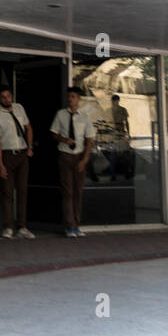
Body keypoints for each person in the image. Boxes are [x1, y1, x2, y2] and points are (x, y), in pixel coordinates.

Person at [51, 86, 96, 238]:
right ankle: (69, 226)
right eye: (69, 96)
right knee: (68, 191)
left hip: (79, 156)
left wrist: (85, 159)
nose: (70, 99)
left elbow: (89, 139)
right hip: (65, 155)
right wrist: (64, 139)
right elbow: (54, 133)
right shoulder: (60, 114)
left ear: (78, 99)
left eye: (73, 97)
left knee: (78, 192)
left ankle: (77, 225)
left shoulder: (84, 117)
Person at [0, 85, 33, 238]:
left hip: (22, 154)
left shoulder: (19, 108)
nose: (6, 99)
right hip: (7, 154)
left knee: (22, 191)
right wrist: (0, 163)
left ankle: (22, 226)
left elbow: (28, 127)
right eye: (3, 97)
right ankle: (8, 227)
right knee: (7, 193)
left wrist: (29, 147)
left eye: (8, 96)